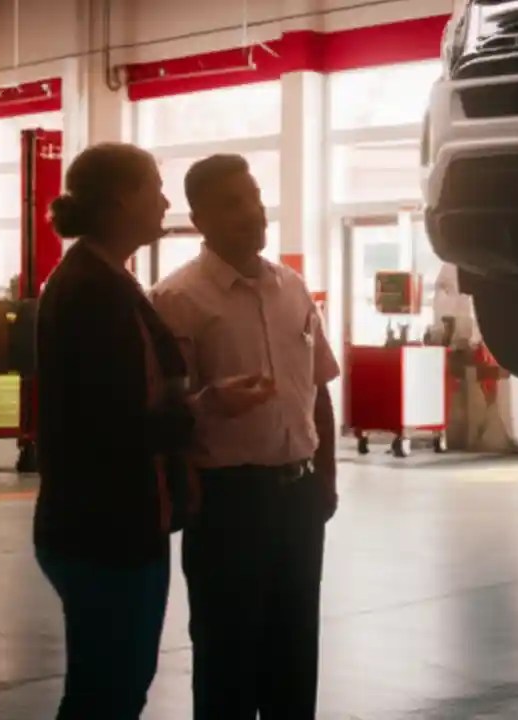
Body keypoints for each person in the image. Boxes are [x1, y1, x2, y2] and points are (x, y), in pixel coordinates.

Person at [33, 143, 271, 719]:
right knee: (107, 691)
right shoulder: (93, 293)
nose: (164, 201)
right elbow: (113, 422)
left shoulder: (106, 281)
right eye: (154, 188)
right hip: (105, 528)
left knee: (115, 683)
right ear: (121, 200)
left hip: (115, 522)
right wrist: (207, 405)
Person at [150, 154, 341, 719]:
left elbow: (319, 387)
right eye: (232, 202)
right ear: (200, 218)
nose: (251, 212)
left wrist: (325, 479)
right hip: (226, 502)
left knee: (295, 648)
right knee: (227, 655)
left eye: (254, 196)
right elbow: (167, 414)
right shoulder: (178, 300)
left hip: (299, 496)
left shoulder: (292, 287)